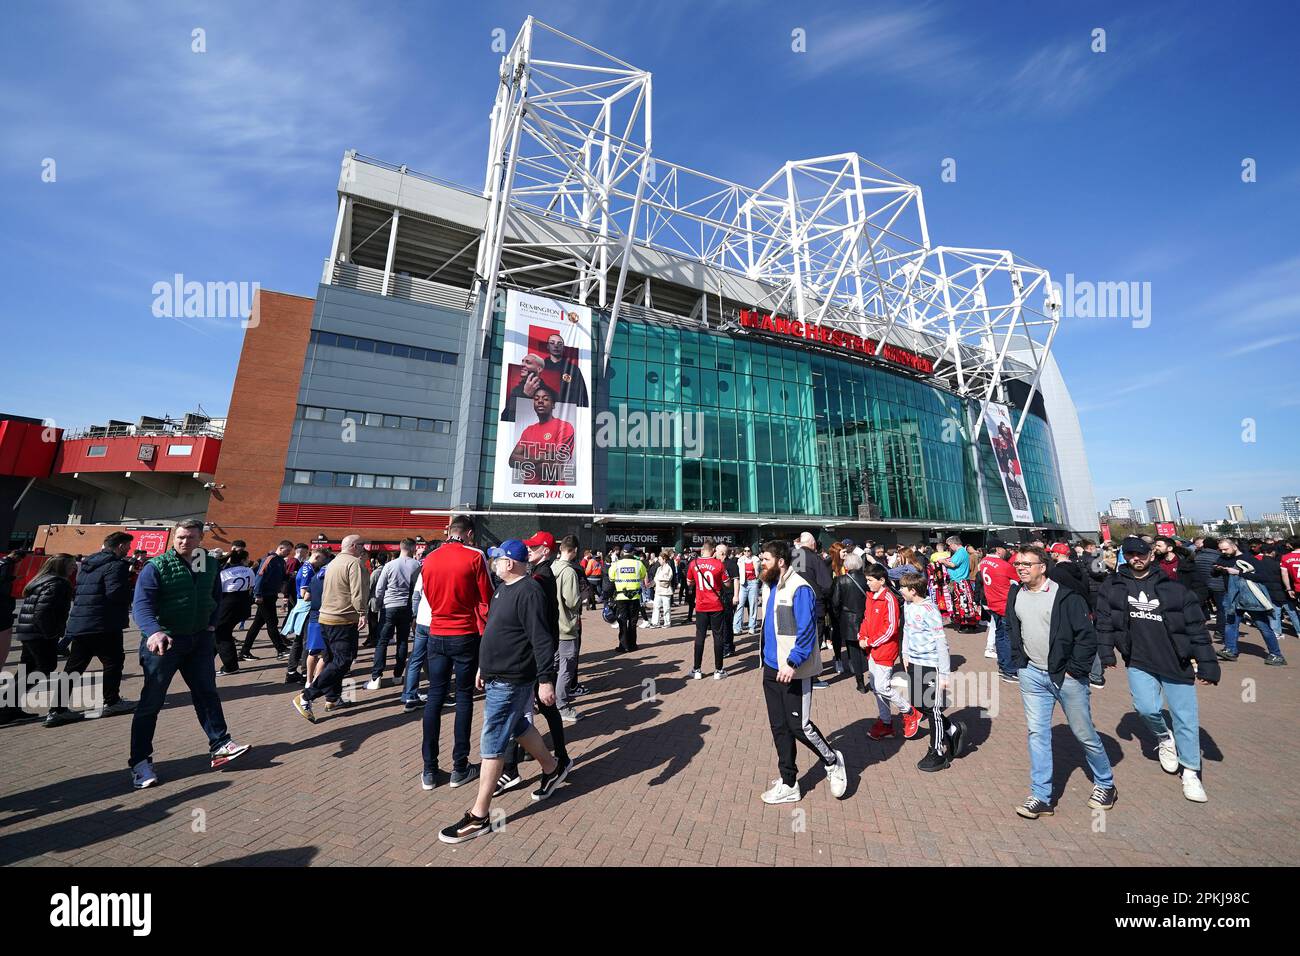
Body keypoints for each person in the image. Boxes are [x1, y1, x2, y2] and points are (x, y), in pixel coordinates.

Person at [437, 540, 572, 843]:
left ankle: (479, 815)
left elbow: (541, 639)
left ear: (509, 563)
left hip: (512, 679)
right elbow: (497, 629)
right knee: (518, 726)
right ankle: (552, 767)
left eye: (497, 560)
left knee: (493, 740)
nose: (493, 564)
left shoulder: (530, 591)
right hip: (496, 675)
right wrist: (483, 666)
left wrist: (547, 680)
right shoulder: (502, 590)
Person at [1095, 536, 1219, 803]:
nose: (1134, 559)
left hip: (1176, 661)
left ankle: (1190, 772)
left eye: (1139, 554)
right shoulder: (1113, 586)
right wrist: (1107, 653)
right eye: (1129, 554)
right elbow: (1105, 622)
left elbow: (1196, 628)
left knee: (1186, 719)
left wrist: (1207, 664)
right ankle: (1164, 737)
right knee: (1146, 708)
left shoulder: (1174, 588)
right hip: (1139, 659)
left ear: (1152, 555)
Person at [128, 520, 250, 788]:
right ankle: (140, 762)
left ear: (200, 539)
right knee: (151, 702)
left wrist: (211, 624)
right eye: (181, 537)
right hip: (165, 642)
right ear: (174, 538)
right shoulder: (156, 566)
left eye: (191, 538)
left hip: (199, 641)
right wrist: (154, 632)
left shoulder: (205, 562)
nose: (185, 542)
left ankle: (220, 745)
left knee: (207, 693)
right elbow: (141, 606)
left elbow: (215, 595)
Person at [1005, 546, 1115, 819]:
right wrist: (1020, 662)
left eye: (1027, 564)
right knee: (1037, 734)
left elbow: (1086, 637)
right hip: (1032, 674)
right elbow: (1012, 627)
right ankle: (1041, 796)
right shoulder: (1016, 593)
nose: (1021, 568)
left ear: (1043, 566)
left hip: (1065, 676)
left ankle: (1105, 782)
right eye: (1018, 564)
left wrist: (1074, 670)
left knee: (1083, 733)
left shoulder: (1066, 596)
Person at [757, 540, 848, 804]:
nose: (761, 563)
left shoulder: (800, 588)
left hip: (793, 670)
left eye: (766, 559)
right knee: (779, 727)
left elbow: (808, 632)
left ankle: (832, 761)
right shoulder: (770, 585)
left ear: (781, 562)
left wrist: (793, 661)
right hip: (772, 669)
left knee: (799, 726)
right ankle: (788, 782)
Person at [409, 516, 492, 787]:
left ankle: (429, 769)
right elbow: (485, 599)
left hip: (437, 631)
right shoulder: (474, 556)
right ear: (468, 533)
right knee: (464, 697)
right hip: (464, 633)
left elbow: (427, 596)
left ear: (449, 531)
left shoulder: (429, 559)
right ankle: (460, 765)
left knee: (435, 696)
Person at [44, 532, 136, 727]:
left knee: (73, 668)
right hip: (104, 623)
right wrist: (131, 593)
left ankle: (57, 709)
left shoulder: (87, 564)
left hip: (82, 623)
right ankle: (111, 701)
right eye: (127, 546)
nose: (128, 549)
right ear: (120, 546)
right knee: (113, 663)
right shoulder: (116, 565)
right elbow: (116, 593)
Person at [292, 534, 369, 722]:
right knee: (343, 660)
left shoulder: (331, 564)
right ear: (353, 546)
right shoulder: (354, 563)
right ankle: (306, 696)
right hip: (342, 619)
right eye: (361, 545)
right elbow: (358, 591)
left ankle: (332, 697)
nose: (363, 549)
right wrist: (362, 612)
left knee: (331, 658)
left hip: (325, 618)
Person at [897, 572, 967, 772]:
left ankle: (937, 752)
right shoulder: (908, 606)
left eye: (903, 588)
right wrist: (905, 653)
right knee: (919, 704)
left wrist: (944, 674)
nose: (900, 590)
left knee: (933, 709)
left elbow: (941, 643)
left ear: (913, 590)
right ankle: (952, 730)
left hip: (931, 664)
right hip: (914, 662)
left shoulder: (930, 610)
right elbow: (908, 632)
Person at [0, 554, 75, 725]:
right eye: (71, 565)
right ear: (61, 566)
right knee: (45, 666)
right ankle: (6, 706)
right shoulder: (57, 583)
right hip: (39, 633)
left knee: (27, 669)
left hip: (29, 631)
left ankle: (8, 707)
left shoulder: (41, 579)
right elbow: (42, 611)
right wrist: (50, 633)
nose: (74, 568)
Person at [860, 563, 921, 739]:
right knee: (875, 687)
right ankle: (886, 722)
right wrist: (862, 635)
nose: (868, 583)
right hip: (872, 649)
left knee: (882, 686)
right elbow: (866, 619)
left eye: (871, 580)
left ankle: (909, 711)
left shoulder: (889, 599)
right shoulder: (870, 596)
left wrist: (870, 641)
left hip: (885, 650)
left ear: (882, 580)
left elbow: (892, 628)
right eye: (867, 580)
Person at [1213, 538, 1286, 665]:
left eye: (1226, 549)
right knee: (1230, 624)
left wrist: (1238, 573)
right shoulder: (1222, 559)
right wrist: (1216, 569)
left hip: (1250, 597)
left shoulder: (1248, 558)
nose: (1224, 552)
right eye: (1221, 550)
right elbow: (1213, 574)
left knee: (1263, 626)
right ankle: (1230, 650)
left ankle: (1276, 654)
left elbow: (1263, 577)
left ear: (1234, 547)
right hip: (1232, 597)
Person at [367, 538, 421, 690]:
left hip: (389, 606)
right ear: (412, 548)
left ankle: (376, 677)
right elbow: (418, 589)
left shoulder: (390, 565)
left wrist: (377, 605)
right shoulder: (417, 565)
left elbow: (380, 588)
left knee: (382, 641)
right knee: (403, 641)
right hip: (407, 607)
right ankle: (398, 675)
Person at [240, 540, 293, 660]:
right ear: (280, 548)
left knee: (257, 624)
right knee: (272, 622)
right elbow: (260, 575)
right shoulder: (270, 559)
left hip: (272, 595)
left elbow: (280, 576)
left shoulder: (281, 561)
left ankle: (244, 651)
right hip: (264, 596)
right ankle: (280, 649)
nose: (288, 553)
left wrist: (290, 575)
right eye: (287, 550)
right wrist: (257, 594)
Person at [686, 538, 730, 680]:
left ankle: (697, 669)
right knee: (718, 636)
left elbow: (689, 582)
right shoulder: (719, 564)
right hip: (716, 604)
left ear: (702, 549)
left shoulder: (694, 563)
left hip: (701, 604)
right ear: (712, 550)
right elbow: (727, 583)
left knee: (700, 635)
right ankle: (718, 670)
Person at [978, 540, 1020, 684]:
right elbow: (1019, 581)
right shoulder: (1004, 565)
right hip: (1004, 604)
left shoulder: (983, 561)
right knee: (1008, 637)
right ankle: (1009, 670)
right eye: (1003, 549)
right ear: (997, 550)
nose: (1005, 551)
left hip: (993, 603)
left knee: (1000, 635)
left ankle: (1003, 666)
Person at [552, 535, 584, 722]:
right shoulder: (569, 572)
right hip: (566, 626)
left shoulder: (552, 567)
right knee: (566, 668)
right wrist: (582, 596)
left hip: (553, 625)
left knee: (556, 665)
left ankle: (550, 699)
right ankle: (562, 705)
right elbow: (572, 602)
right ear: (574, 550)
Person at [284, 547, 327, 684]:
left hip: (302, 607)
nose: (322, 563)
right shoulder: (307, 570)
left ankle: (292, 671)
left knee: (299, 640)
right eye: (322, 560)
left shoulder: (306, 567)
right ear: (317, 557)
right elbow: (304, 594)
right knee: (306, 642)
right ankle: (304, 673)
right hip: (306, 608)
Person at [830, 552, 869, 692]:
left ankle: (860, 682)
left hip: (848, 619)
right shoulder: (867, 579)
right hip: (866, 618)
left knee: (853, 651)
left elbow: (835, 602)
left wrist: (837, 617)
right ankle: (875, 678)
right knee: (867, 650)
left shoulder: (840, 580)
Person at [214, 548, 256, 676]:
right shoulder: (249, 570)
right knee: (221, 634)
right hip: (243, 603)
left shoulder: (224, 573)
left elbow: (217, 590)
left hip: (228, 604)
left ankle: (230, 666)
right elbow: (251, 586)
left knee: (222, 634)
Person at [610, 544, 649, 652]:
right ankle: (632, 645)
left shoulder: (616, 564)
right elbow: (642, 576)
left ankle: (623, 645)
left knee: (622, 621)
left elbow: (611, 577)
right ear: (632, 552)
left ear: (623, 552)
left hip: (621, 596)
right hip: (634, 597)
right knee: (633, 621)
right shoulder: (638, 564)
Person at [943, 535, 981, 631]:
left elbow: (952, 564)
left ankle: (968, 624)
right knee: (962, 604)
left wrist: (943, 561)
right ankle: (966, 623)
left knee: (963, 604)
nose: (949, 547)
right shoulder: (960, 552)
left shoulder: (960, 552)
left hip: (961, 582)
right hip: (959, 581)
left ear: (953, 544)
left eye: (949, 545)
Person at [733, 544, 761, 635]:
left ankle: (752, 627)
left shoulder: (756, 560)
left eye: (748, 550)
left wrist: (758, 580)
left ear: (751, 551)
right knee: (739, 605)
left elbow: (760, 571)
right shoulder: (740, 560)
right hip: (743, 584)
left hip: (753, 583)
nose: (746, 552)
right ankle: (737, 628)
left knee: (753, 605)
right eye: (745, 551)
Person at [652, 549, 675, 628]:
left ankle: (667, 622)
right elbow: (655, 578)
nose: (659, 561)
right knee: (656, 607)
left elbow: (669, 578)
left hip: (665, 591)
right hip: (658, 591)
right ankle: (655, 622)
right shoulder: (659, 568)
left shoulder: (668, 568)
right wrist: (651, 584)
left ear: (664, 559)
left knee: (666, 608)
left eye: (660, 559)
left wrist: (659, 579)